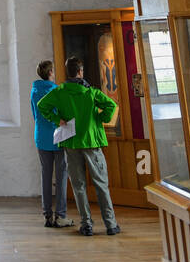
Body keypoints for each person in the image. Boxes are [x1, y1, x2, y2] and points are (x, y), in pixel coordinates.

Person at [37, 55, 121, 236]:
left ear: (67, 73)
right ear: (81, 72)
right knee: (101, 184)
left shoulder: (59, 92)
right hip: (92, 141)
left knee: (78, 186)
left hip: (72, 142)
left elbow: (42, 105)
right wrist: (99, 118)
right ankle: (110, 224)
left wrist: (57, 119)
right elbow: (111, 106)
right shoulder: (91, 93)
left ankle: (87, 224)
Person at [30, 60, 73, 228]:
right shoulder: (56, 91)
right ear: (50, 73)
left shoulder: (34, 91)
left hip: (41, 136)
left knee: (46, 176)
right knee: (61, 176)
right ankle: (60, 215)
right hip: (58, 137)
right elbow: (63, 114)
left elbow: (35, 114)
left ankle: (47, 215)